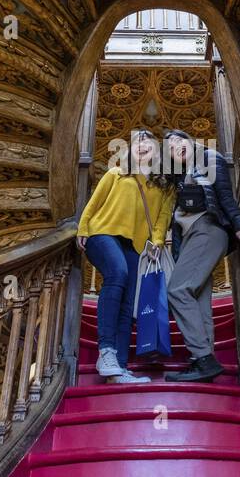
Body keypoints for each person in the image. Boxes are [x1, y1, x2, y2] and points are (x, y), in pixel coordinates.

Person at [160, 130, 240, 383]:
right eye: (170, 147)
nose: (176, 146)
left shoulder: (208, 158)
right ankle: (203, 360)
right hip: (192, 237)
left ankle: (203, 358)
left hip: (209, 228)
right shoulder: (179, 178)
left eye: (179, 140)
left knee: (178, 290)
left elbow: (225, 196)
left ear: (190, 141)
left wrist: (239, 223)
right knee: (198, 298)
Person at [77, 129, 174, 384]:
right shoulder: (116, 173)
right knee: (117, 274)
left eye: (147, 142)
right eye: (136, 142)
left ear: (157, 151)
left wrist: (157, 242)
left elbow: (163, 219)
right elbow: (93, 204)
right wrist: (83, 228)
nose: (141, 145)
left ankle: (118, 368)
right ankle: (106, 351)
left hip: (137, 245)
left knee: (129, 300)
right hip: (102, 233)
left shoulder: (164, 186)